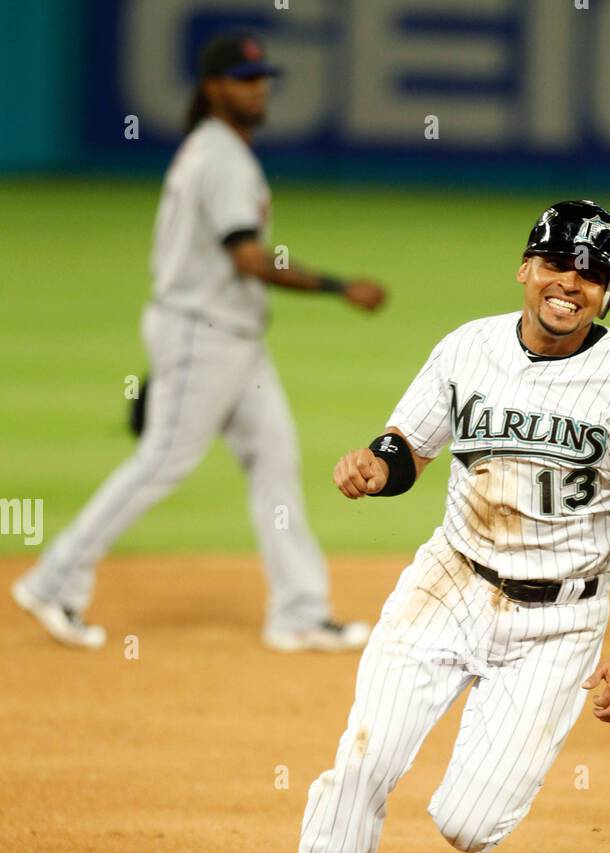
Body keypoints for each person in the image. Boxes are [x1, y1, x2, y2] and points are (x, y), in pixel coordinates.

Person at [272, 199, 610, 853]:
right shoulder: (468, 348)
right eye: (558, 263)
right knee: (361, 760)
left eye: (593, 273)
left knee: (470, 824)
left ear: (609, 292)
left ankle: (468, 794)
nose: (571, 282)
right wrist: (375, 465)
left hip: (560, 622)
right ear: (526, 268)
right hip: (449, 586)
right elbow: (410, 447)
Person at [12, 30, 386, 653]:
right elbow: (248, 258)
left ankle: (298, 610)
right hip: (202, 334)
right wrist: (340, 287)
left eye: (263, 77)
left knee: (275, 461)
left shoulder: (219, 152)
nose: (258, 87)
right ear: (213, 87)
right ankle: (54, 581)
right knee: (162, 461)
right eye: (245, 78)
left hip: (228, 338)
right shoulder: (218, 157)